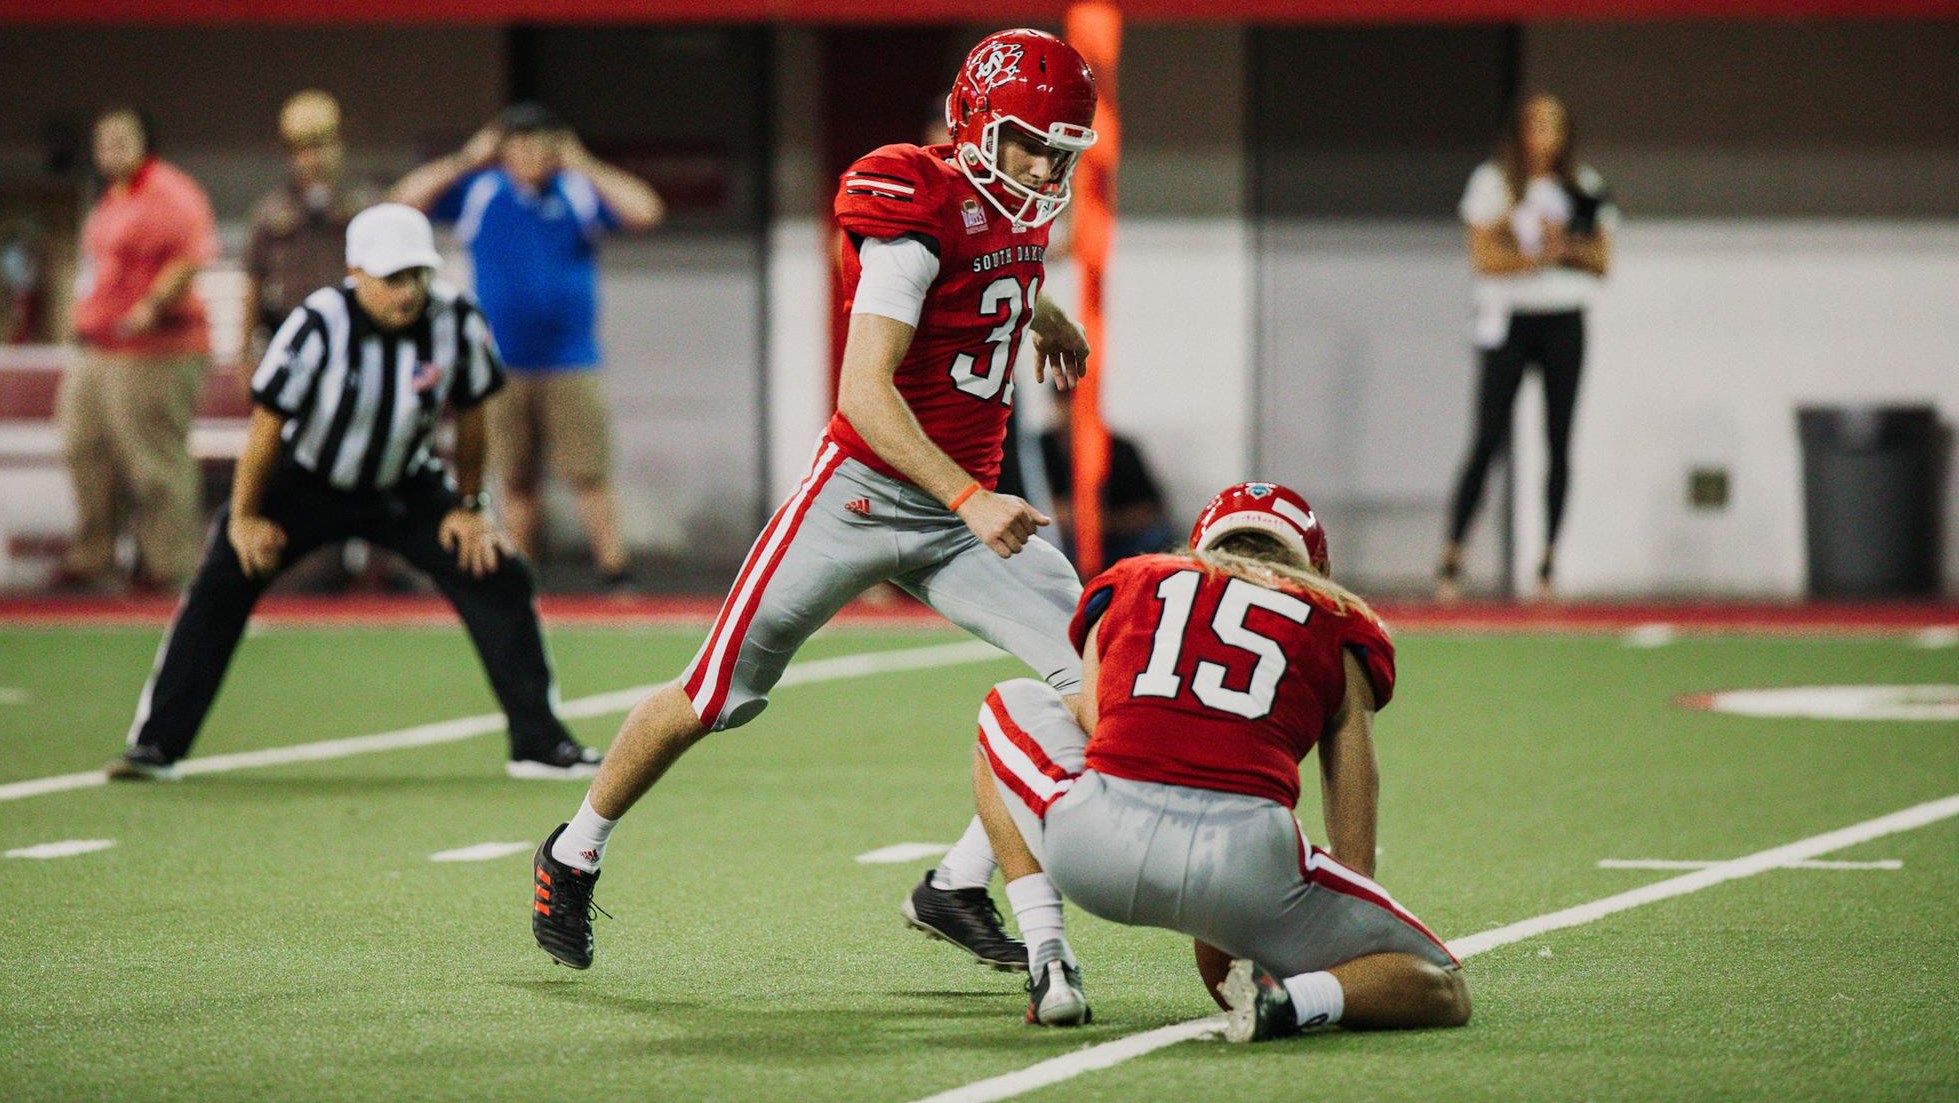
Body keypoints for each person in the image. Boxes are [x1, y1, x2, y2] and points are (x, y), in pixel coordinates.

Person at [528, 29, 1100, 975]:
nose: (1044, 168)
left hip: (963, 518)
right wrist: (966, 496)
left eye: (1060, 151)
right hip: (869, 496)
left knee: (1098, 692)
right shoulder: (910, 201)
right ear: (972, 125)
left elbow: (995, 269)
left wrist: (1045, 314)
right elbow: (862, 394)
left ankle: (955, 884)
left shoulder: (1012, 198)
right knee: (715, 694)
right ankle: (574, 847)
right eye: (1030, 144)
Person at [104, 204, 602, 783]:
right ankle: (157, 745)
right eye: (392, 278)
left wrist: (469, 508)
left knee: (496, 571)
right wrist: (244, 517)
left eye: (417, 275)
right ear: (355, 272)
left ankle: (539, 743)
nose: (407, 291)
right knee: (222, 580)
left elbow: (471, 417)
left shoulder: (455, 318)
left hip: (403, 484)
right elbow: (267, 426)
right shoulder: (319, 323)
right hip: (307, 480)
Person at [972, 482, 1469, 1035]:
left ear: (1200, 544)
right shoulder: (1337, 617)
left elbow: (1094, 722)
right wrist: (1317, 913)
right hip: (1245, 871)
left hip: (1097, 853)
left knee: (1010, 701)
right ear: (1317, 565)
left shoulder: (1134, 579)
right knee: (1442, 982)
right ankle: (1293, 1000)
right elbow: (1353, 794)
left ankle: (1050, 961)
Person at [392, 102, 664, 590]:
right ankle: (522, 578)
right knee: (515, 479)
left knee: (589, 474)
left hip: (571, 361)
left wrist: (583, 162)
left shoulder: (577, 190)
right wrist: (468, 159)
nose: (530, 154)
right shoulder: (482, 190)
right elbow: (403, 203)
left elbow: (645, 210)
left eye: (540, 143)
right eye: (518, 144)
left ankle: (616, 575)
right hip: (500, 362)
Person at [1436, 93, 1615, 604]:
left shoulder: (1583, 188)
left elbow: (1600, 259)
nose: (1545, 137)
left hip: (1563, 321)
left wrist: (1563, 246)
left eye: (1554, 126)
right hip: (1509, 322)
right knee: (1487, 439)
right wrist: (1528, 249)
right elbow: (1484, 257)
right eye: (1536, 125)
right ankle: (1453, 554)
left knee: (1559, 441)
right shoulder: (1494, 184)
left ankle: (1548, 562)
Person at [242, 89, 400, 594]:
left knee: (378, 455)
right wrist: (248, 355)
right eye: (303, 146)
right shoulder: (270, 215)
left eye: (323, 143)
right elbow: (252, 289)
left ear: (340, 145)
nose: (314, 156)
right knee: (305, 464)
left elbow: (396, 282)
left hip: (363, 351)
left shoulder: (368, 208)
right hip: (297, 357)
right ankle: (316, 562)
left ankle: (381, 564)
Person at [60, 106, 218, 592]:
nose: (112, 146)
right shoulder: (111, 197)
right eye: (103, 138)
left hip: (155, 348)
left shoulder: (170, 191)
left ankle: (169, 566)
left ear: (145, 140)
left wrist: (151, 305)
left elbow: (191, 258)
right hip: (100, 348)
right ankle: (95, 557)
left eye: (123, 137)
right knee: (84, 447)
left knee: (153, 461)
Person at [1039, 393, 1173, 565]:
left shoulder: (1121, 449)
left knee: (1158, 536)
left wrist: (1099, 522)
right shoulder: (1037, 450)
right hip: (1062, 540)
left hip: (1116, 540)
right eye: (1067, 402)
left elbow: (1150, 510)